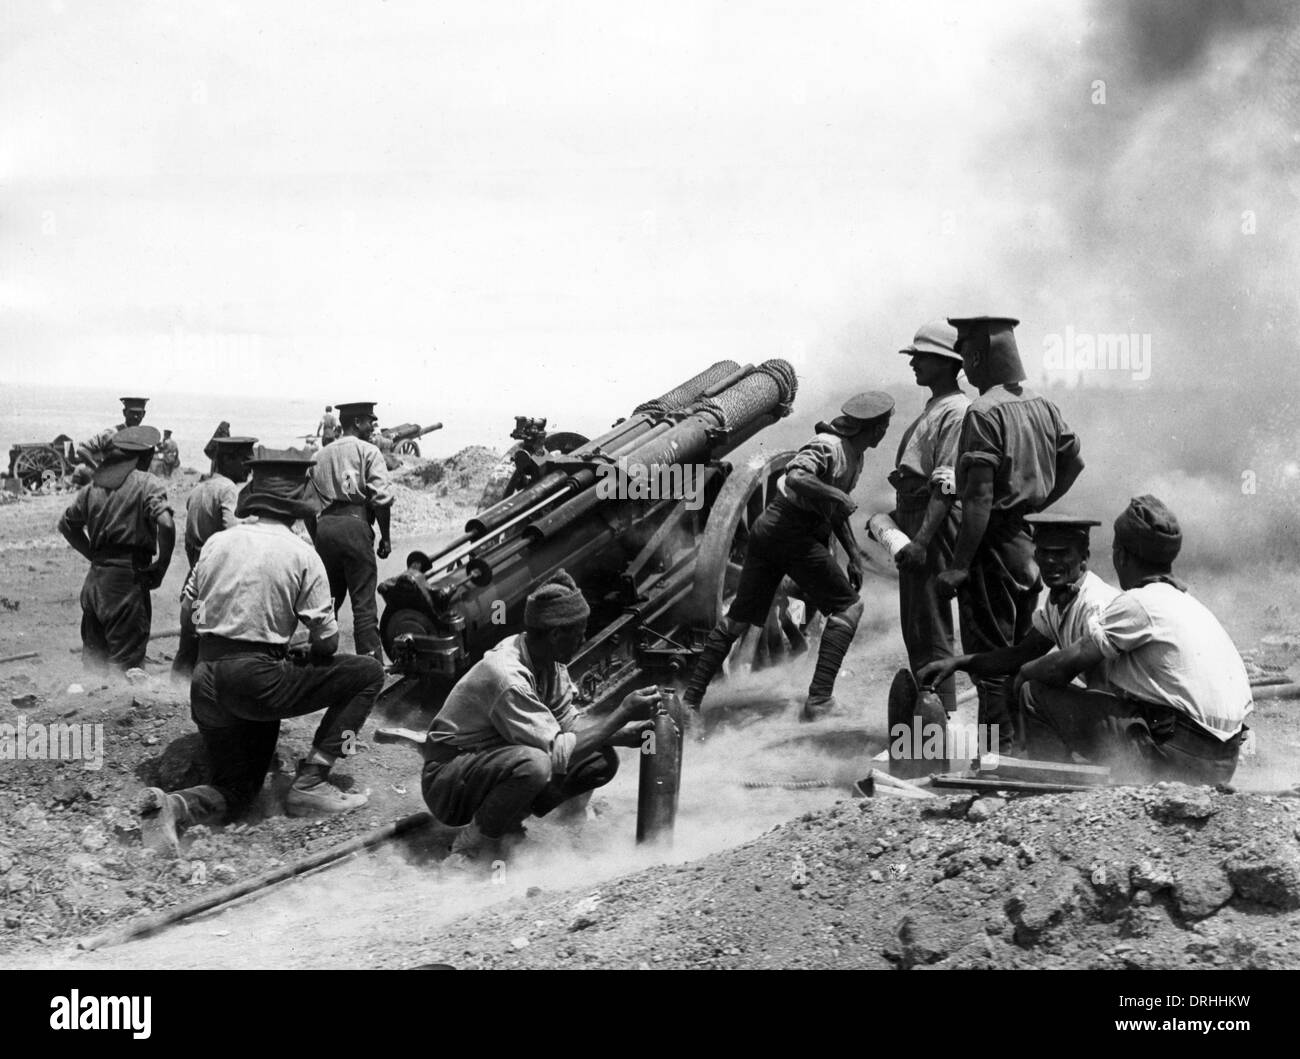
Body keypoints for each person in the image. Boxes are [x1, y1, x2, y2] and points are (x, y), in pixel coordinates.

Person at [138, 452, 386, 856]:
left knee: (238, 792)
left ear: (253, 497)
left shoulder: (217, 543)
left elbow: (189, 613)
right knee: (368, 674)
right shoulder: (302, 553)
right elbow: (327, 641)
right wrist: (294, 648)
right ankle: (311, 783)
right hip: (257, 682)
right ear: (299, 504)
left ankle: (174, 806)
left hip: (206, 681)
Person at [682, 393, 894, 722]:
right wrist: (835, 493)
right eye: (884, 427)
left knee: (737, 619)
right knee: (849, 608)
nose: (884, 432)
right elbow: (796, 476)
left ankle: (690, 701)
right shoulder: (828, 445)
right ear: (877, 428)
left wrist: (852, 554)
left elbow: (835, 511)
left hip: (774, 531)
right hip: (790, 530)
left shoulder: (854, 455)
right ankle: (820, 701)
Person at [421, 571, 656, 868]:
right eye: (579, 630)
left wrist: (622, 732)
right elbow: (556, 749)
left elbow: (569, 727)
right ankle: (472, 845)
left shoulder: (548, 662)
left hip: (489, 764)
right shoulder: (507, 676)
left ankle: (507, 822)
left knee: (599, 759)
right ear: (557, 634)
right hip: (448, 781)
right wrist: (621, 713)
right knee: (536, 764)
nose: (584, 637)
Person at [1014, 496, 1251, 785]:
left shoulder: (1138, 603)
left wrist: (1023, 673)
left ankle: (1051, 796)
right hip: (1223, 764)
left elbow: (1061, 669)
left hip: (1176, 759)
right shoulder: (1191, 605)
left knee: (1033, 693)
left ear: (1121, 555)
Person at [935, 315, 1084, 751]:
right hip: (1029, 546)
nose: (963, 365)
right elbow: (1073, 462)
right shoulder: (1043, 404)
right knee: (1023, 652)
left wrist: (959, 566)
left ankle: (994, 758)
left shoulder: (983, 412)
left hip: (993, 548)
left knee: (990, 662)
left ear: (979, 355)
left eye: (965, 353)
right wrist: (1036, 504)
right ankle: (1025, 748)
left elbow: (978, 498)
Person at [918, 514, 1118, 735]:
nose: (1050, 561)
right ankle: (1029, 759)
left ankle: (1054, 764)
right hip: (1113, 709)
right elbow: (1020, 654)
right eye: (1044, 552)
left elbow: (1101, 690)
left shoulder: (1094, 605)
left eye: (1061, 553)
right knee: (1020, 683)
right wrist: (956, 663)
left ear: (1084, 557)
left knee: (1032, 690)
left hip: (1127, 713)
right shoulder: (1058, 602)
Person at [889, 320, 970, 714]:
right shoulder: (937, 406)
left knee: (931, 624)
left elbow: (947, 484)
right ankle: (930, 715)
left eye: (921, 357)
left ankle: (940, 719)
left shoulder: (956, 412)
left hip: (930, 520)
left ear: (945, 362)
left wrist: (921, 540)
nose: (913, 364)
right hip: (915, 514)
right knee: (918, 625)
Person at [57, 426, 175, 673]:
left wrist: (94, 555)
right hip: (127, 583)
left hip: (94, 583)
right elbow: (165, 523)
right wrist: (161, 566)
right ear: (147, 455)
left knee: (94, 666)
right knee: (126, 669)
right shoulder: (147, 484)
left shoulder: (93, 487)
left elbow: (66, 525)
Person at [306, 401, 393, 661]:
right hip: (355, 525)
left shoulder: (318, 456)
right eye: (369, 421)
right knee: (364, 602)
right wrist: (385, 537)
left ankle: (317, 659)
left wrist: (317, 537)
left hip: (325, 529)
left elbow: (307, 506)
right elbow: (381, 500)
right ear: (357, 422)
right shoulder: (369, 451)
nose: (372, 427)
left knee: (328, 601)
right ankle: (370, 665)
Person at [171, 436, 258, 680]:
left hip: (196, 577)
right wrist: (253, 524)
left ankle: (176, 686)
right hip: (216, 579)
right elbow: (231, 530)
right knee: (213, 639)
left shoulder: (200, 488)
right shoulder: (228, 489)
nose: (249, 467)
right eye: (244, 460)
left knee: (191, 633)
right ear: (227, 459)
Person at [74, 396, 149, 483]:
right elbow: (82, 449)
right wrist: (97, 468)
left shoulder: (144, 438)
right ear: (124, 413)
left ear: (143, 414)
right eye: (132, 413)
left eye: (139, 413)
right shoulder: (112, 433)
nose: (135, 417)